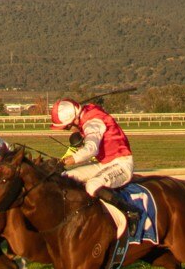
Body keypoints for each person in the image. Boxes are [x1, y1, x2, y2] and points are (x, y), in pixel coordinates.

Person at [51, 98, 141, 236]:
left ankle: (130, 212)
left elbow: (91, 149)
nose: (68, 130)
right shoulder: (86, 116)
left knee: (92, 185)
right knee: (66, 177)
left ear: (74, 119)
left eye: (67, 127)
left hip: (122, 164)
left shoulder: (92, 123)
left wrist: (67, 161)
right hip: (104, 164)